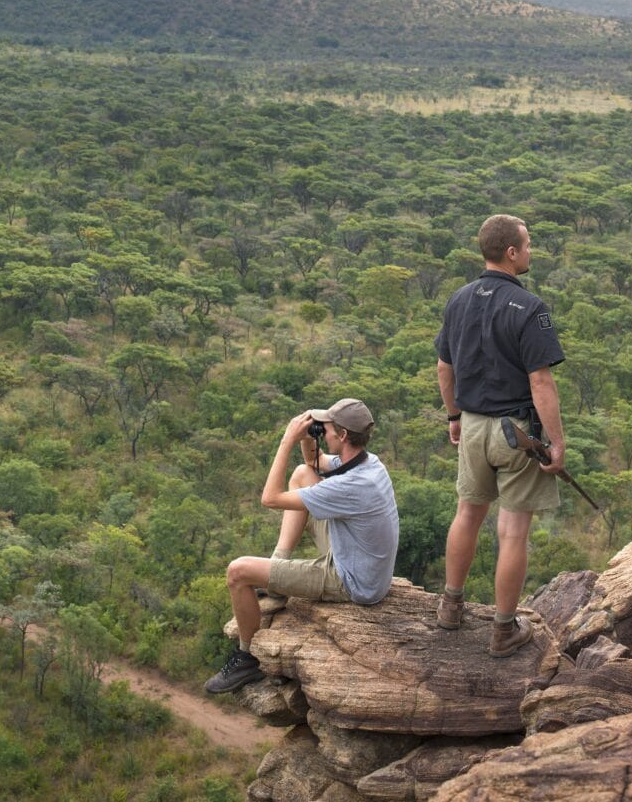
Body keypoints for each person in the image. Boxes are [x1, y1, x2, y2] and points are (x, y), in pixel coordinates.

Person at [433, 214, 566, 657]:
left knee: (467, 514)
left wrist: (453, 416)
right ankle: (503, 629)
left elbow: (444, 366)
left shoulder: (458, 300)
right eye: (527, 245)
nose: (530, 252)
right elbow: (541, 383)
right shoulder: (530, 308)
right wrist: (556, 442)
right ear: (511, 252)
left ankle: (450, 606)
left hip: (470, 426)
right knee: (512, 531)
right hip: (517, 433)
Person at [203, 398, 398, 694]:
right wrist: (308, 437)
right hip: (359, 558)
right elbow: (313, 464)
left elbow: (270, 498)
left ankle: (246, 659)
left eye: (327, 429)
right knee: (301, 475)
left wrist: (287, 441)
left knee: (238, 572)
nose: (324, 432)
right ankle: (278, 568)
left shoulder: (350, 485)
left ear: (342, 435)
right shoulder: (370, 464)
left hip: (351, 581)